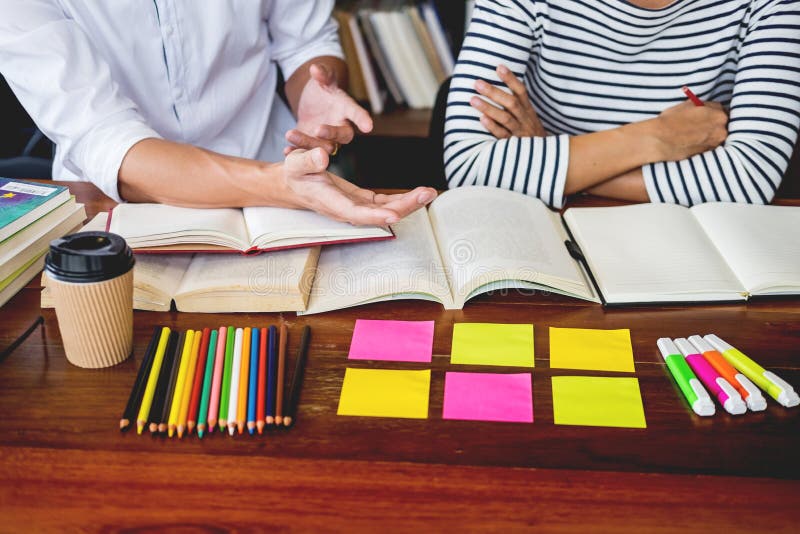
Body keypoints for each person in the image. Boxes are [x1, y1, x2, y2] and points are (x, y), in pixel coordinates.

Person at [0, 1, 436, 225]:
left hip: (278, 194)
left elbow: (306, 42)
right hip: (115, 209)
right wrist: (278, 185)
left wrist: (317, 91)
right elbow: (105, 139)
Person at [444, 0, 800, 208]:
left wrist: (546, 154)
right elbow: (468, 166)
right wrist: (657, 137)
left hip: (686, 242)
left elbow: (747, 179)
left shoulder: (771, 6)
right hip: (548, 230)